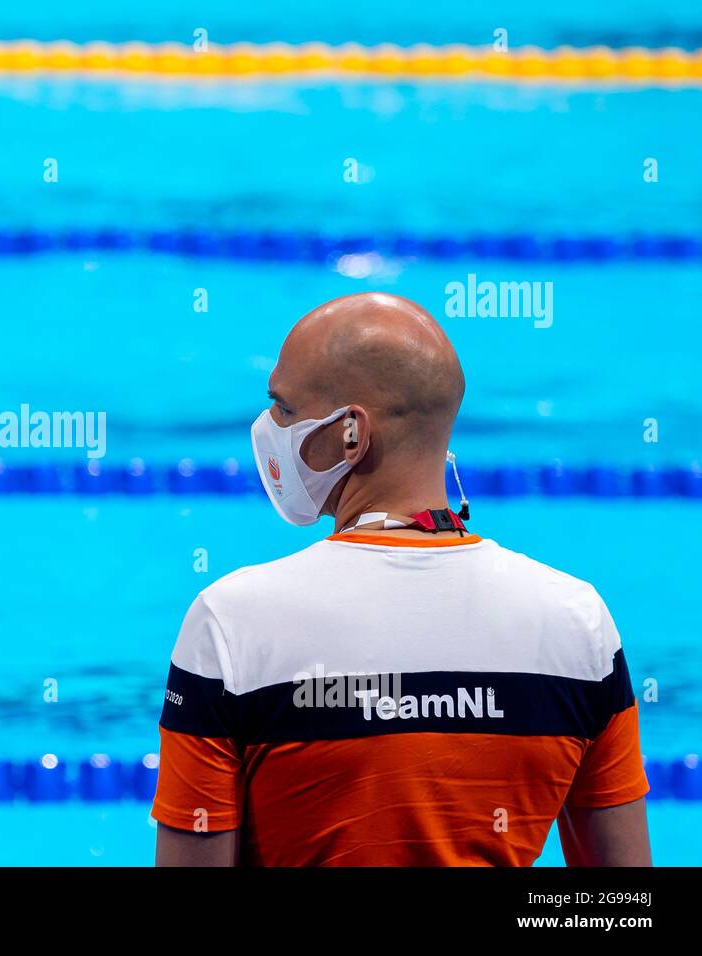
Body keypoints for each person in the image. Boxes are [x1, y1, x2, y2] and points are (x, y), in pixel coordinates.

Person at [152, 292, 651, 866]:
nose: (268, 429)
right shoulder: (577, 623)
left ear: (350, 434)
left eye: (284, 409)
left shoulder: (231, 623)